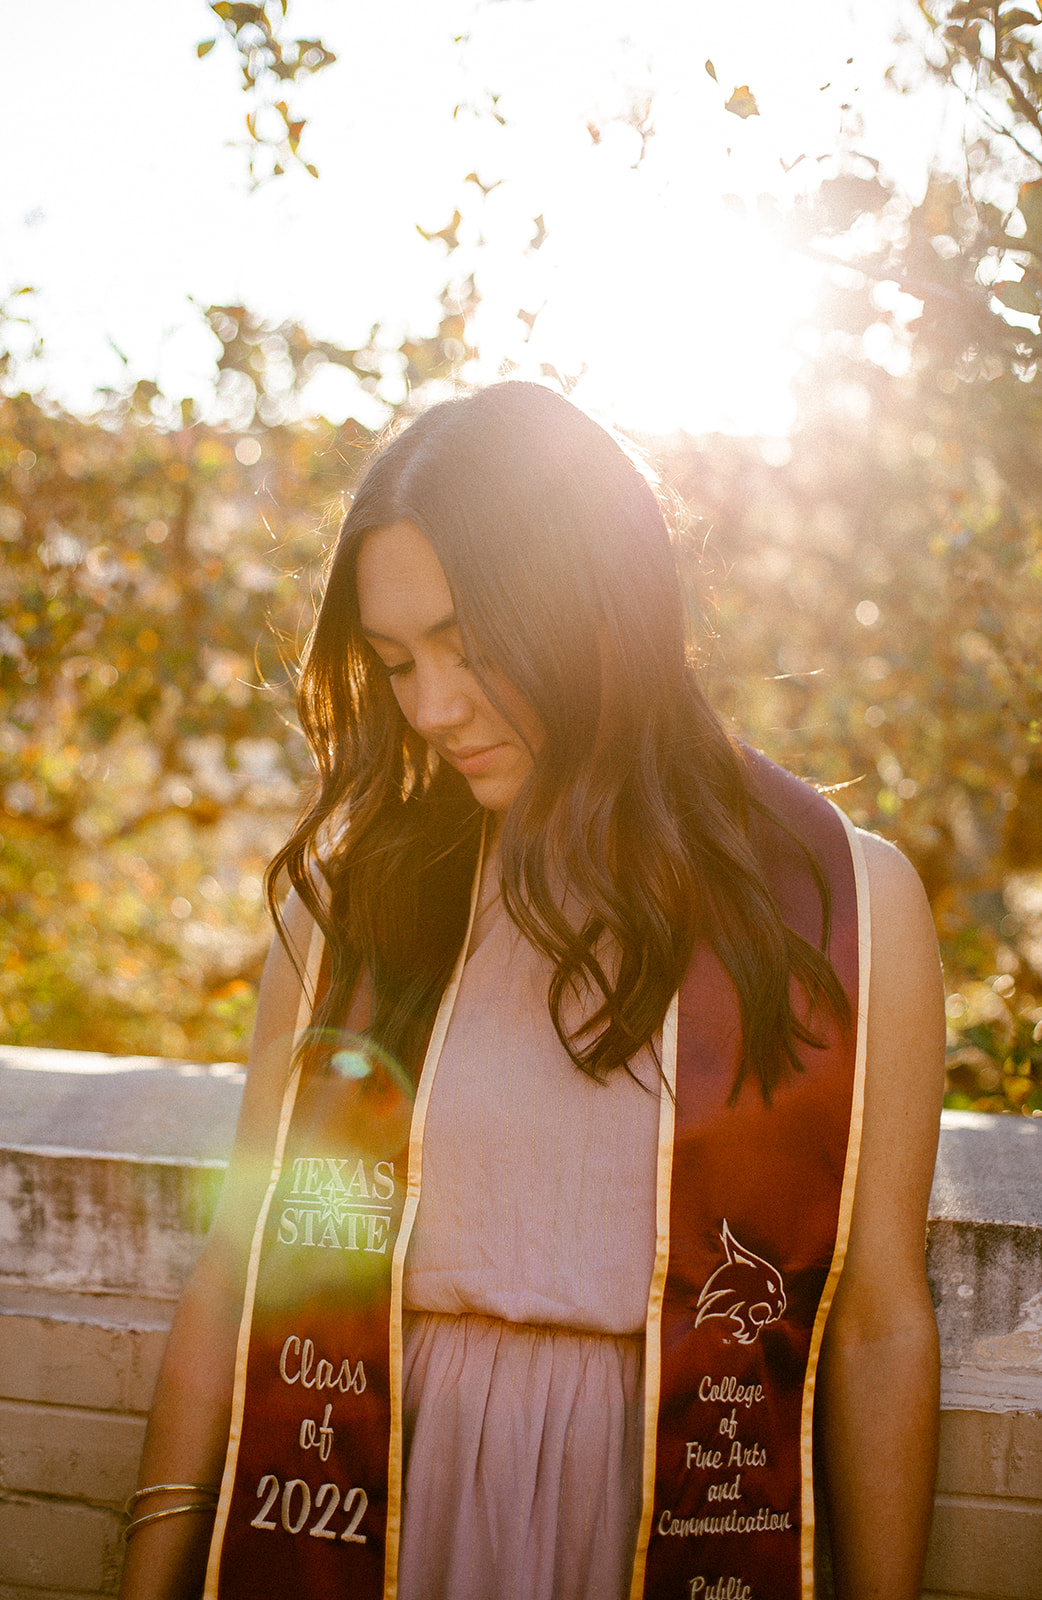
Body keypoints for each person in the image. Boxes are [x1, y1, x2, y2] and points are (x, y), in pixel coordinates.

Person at [119, 381, 945, 1600]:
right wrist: (150, 1575)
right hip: (384, 1513)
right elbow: (242, 1267)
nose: (431, 706)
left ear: (594, 600)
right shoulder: (353, 913)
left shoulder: (847, 906)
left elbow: (877, 1323)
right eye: (396, 662)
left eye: (467, 646)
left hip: (659, 1519)